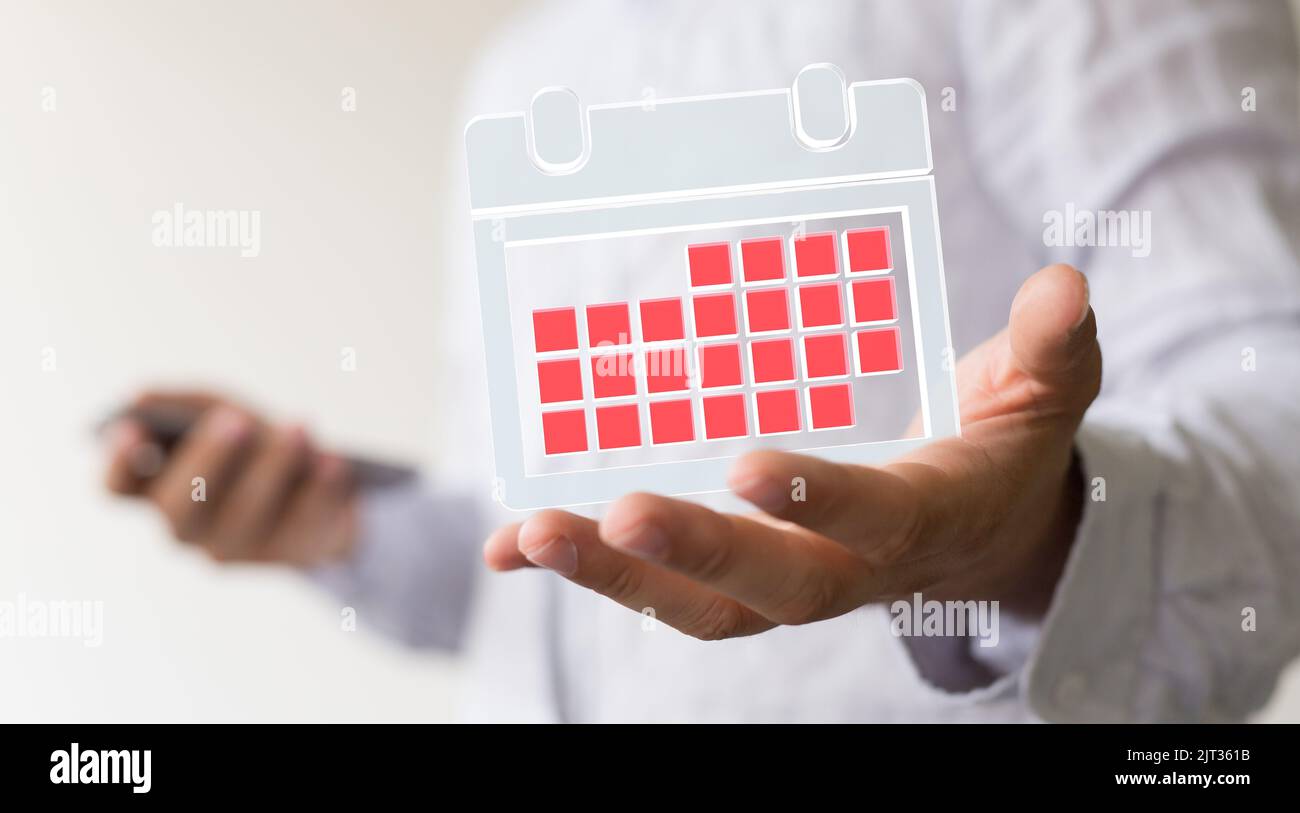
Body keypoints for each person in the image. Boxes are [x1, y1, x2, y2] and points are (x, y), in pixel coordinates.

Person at [103, 0, 1300, 722]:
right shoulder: (520, 75)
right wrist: (332, 531)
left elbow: (1272, 395)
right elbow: (555, 587)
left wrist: (1028, 548)